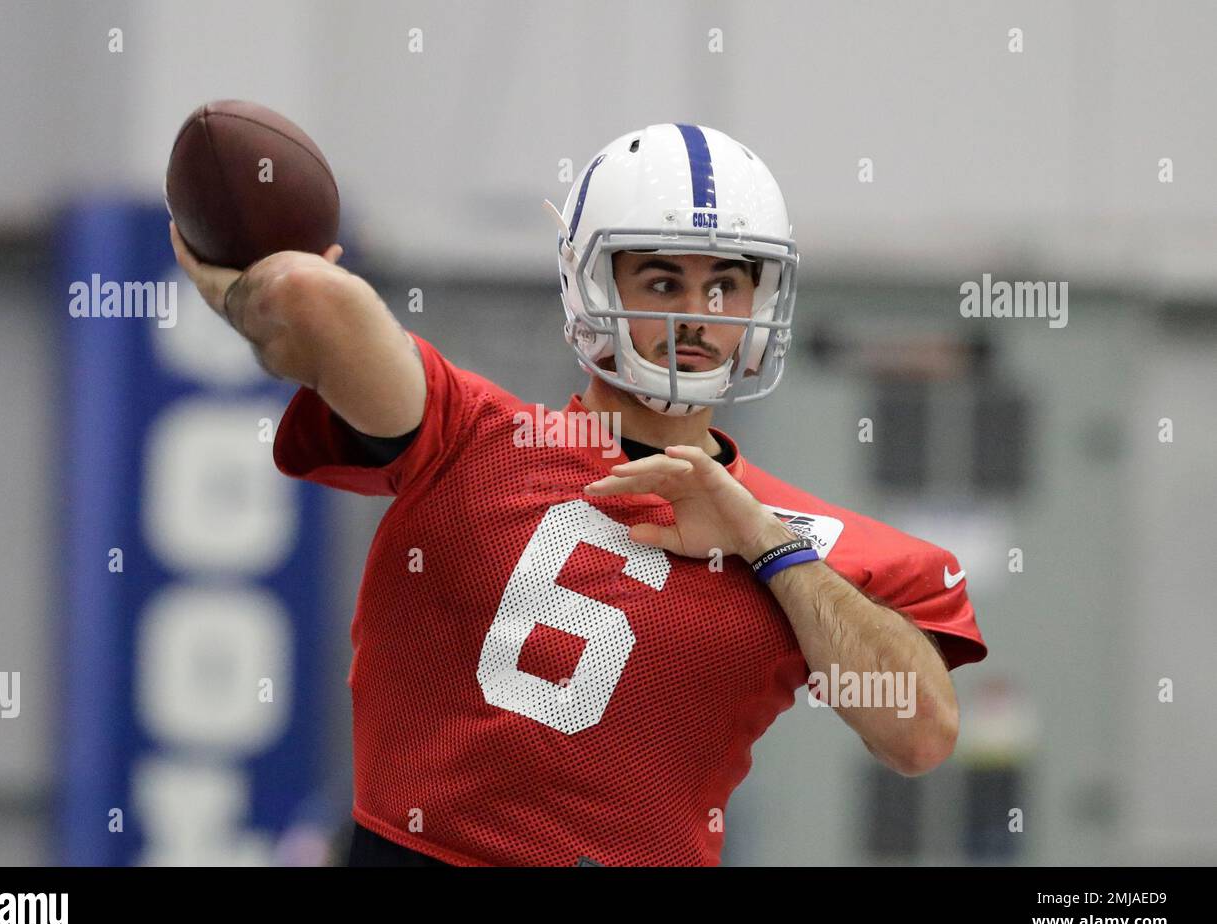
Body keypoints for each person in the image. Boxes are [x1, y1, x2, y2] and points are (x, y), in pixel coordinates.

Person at [171, 122, 986, 867]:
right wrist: (260, 286)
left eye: (725, 285)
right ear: (588, 282)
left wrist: (770, 547)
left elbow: (919, 735)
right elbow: (308, 298)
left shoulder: (812, 542)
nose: (696, 316)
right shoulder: (470, 436)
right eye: (661, 282)